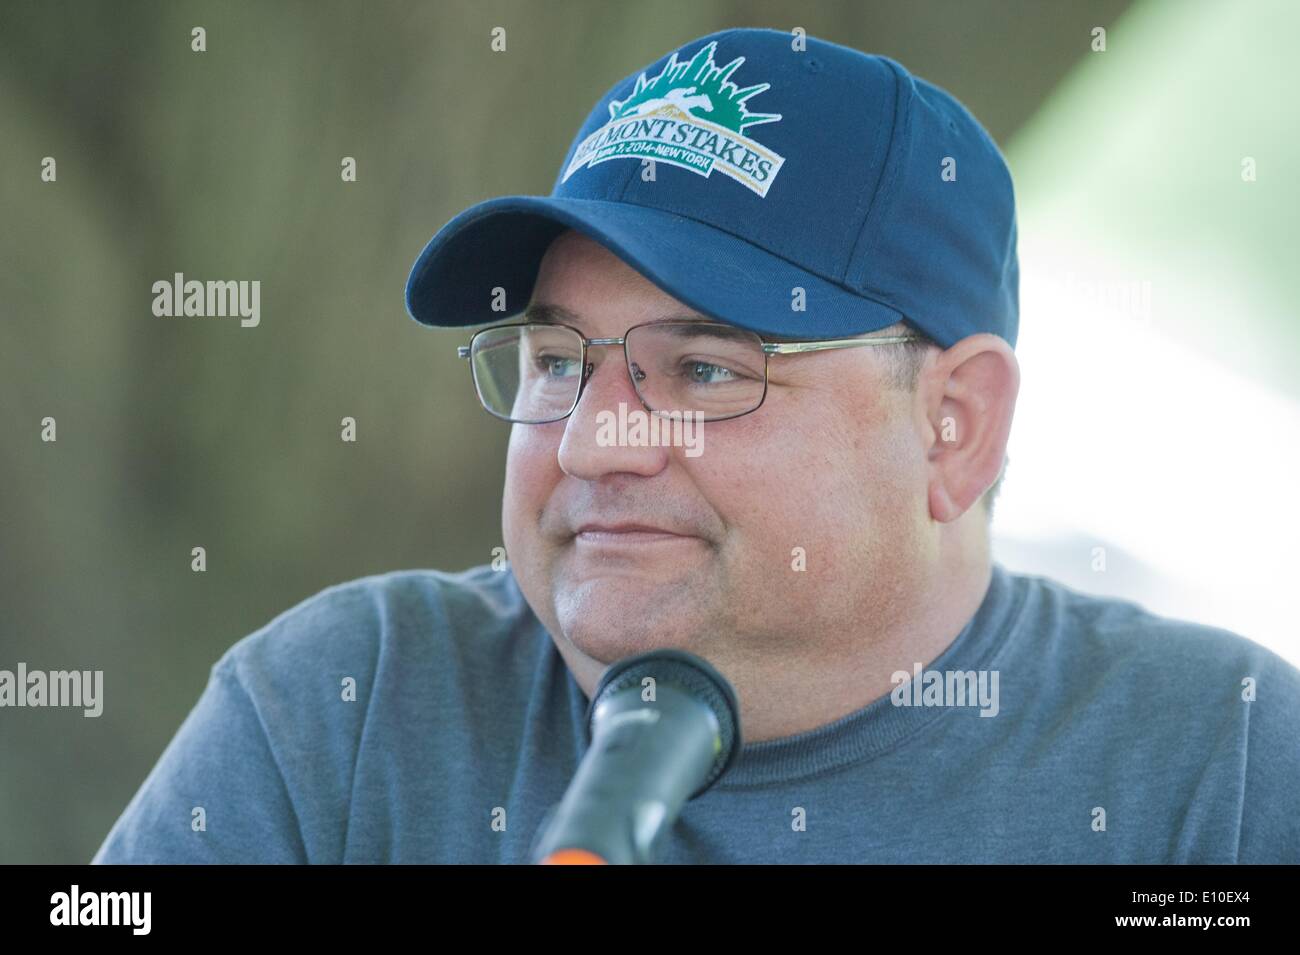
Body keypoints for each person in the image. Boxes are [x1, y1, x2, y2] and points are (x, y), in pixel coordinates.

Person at [93, 27, 1300, 864]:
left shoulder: (1219, 766)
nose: (595, 444)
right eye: (559, 362)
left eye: (708, 370)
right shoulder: (344, 713)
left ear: (955, 427)